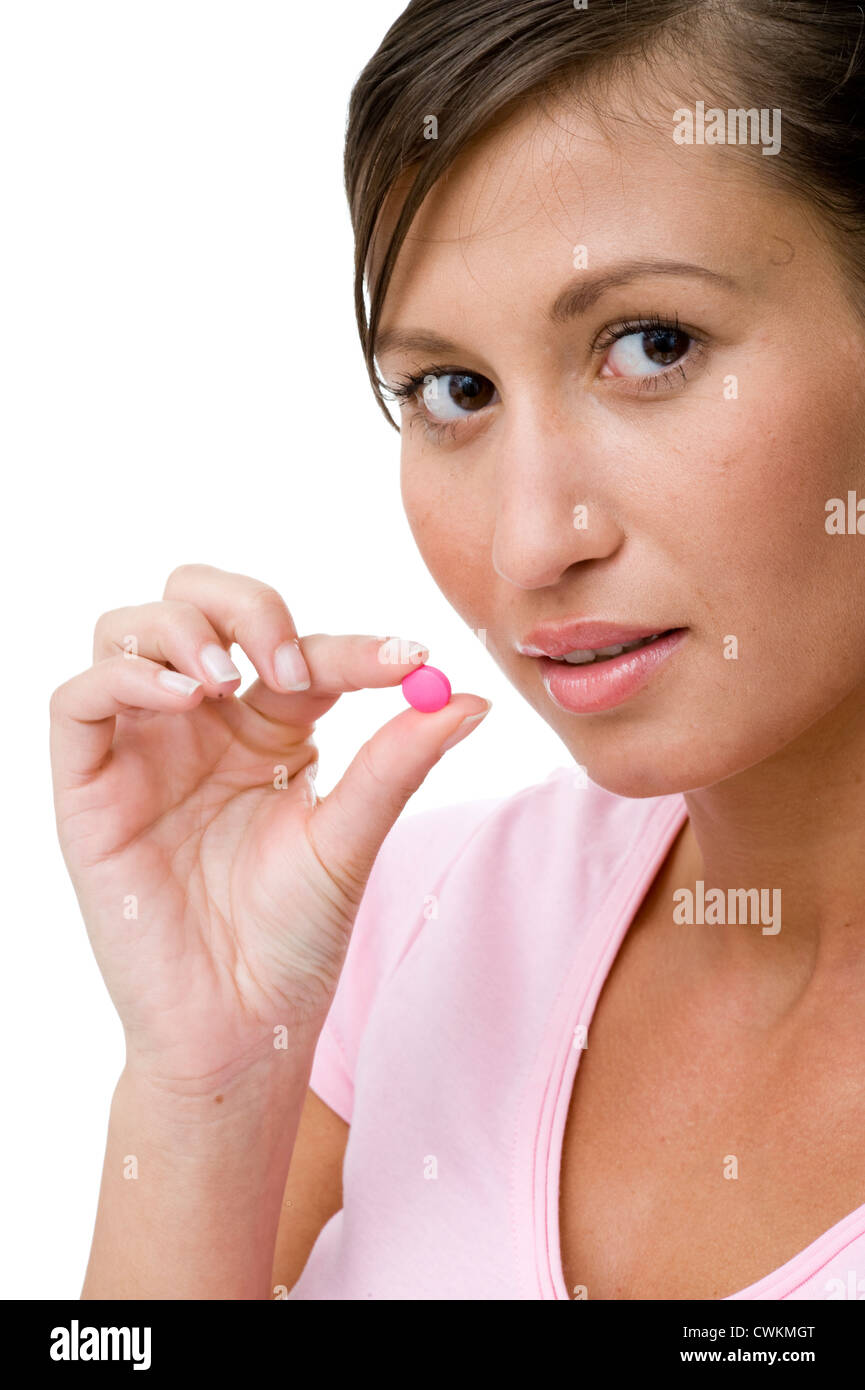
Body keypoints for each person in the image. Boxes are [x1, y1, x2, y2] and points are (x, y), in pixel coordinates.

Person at [51, 0, 865, 1300]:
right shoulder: (412, 913)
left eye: (650, 346)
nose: (529, 542)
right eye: (452, 390)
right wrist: (202, 1084)